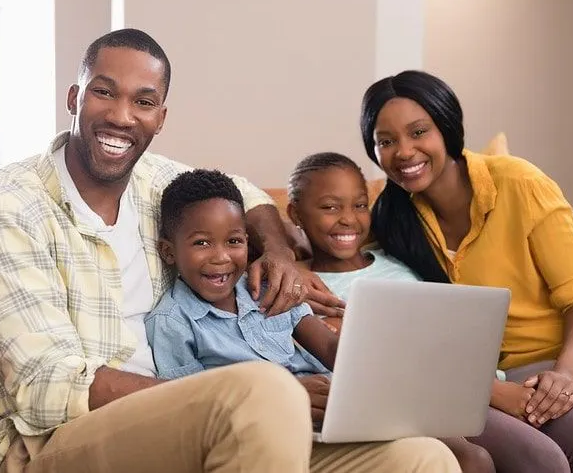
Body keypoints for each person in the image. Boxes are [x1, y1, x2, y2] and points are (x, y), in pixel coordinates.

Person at [0, 28, 458, 473]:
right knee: (265, 390)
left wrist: (277, 252)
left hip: (202, 423)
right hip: (58, 442)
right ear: (74, 98)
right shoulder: (3, 204)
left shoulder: (154, 181)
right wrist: (237, 398)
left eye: (143, 101)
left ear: (161, 116)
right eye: (105, 93)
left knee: (422, 457)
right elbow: (44, 383)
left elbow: (249, 197)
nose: (122, 116)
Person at [359, 70, 573, 472]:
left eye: (418, 132)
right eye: (386, 142)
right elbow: (336, 246)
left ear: (446, 127)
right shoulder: (392, 220)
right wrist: (287, 255)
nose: (405, 152)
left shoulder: (517, 181)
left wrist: (568, 374)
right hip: (529, 359)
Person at [286, 151, 573, 473]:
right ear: (295, 214)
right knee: (540, 459)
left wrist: (491, 386)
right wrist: (496, 393)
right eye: (330, 207)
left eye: (360, 205)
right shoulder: (295, 285)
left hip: (476, 381)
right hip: (422, 397)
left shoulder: (398, 264)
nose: (348, 218)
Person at [145, 168, 461, 472]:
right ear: (169, 252)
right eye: (202, 242)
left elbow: (328, 346)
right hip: (269, 433)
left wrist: (375, 347)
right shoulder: (172, 322)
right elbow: (193, 412)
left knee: (452, 452)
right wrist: (290, 396)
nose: (221, 257)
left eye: (234, 241)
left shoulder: (268, 286)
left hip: (337, 409)